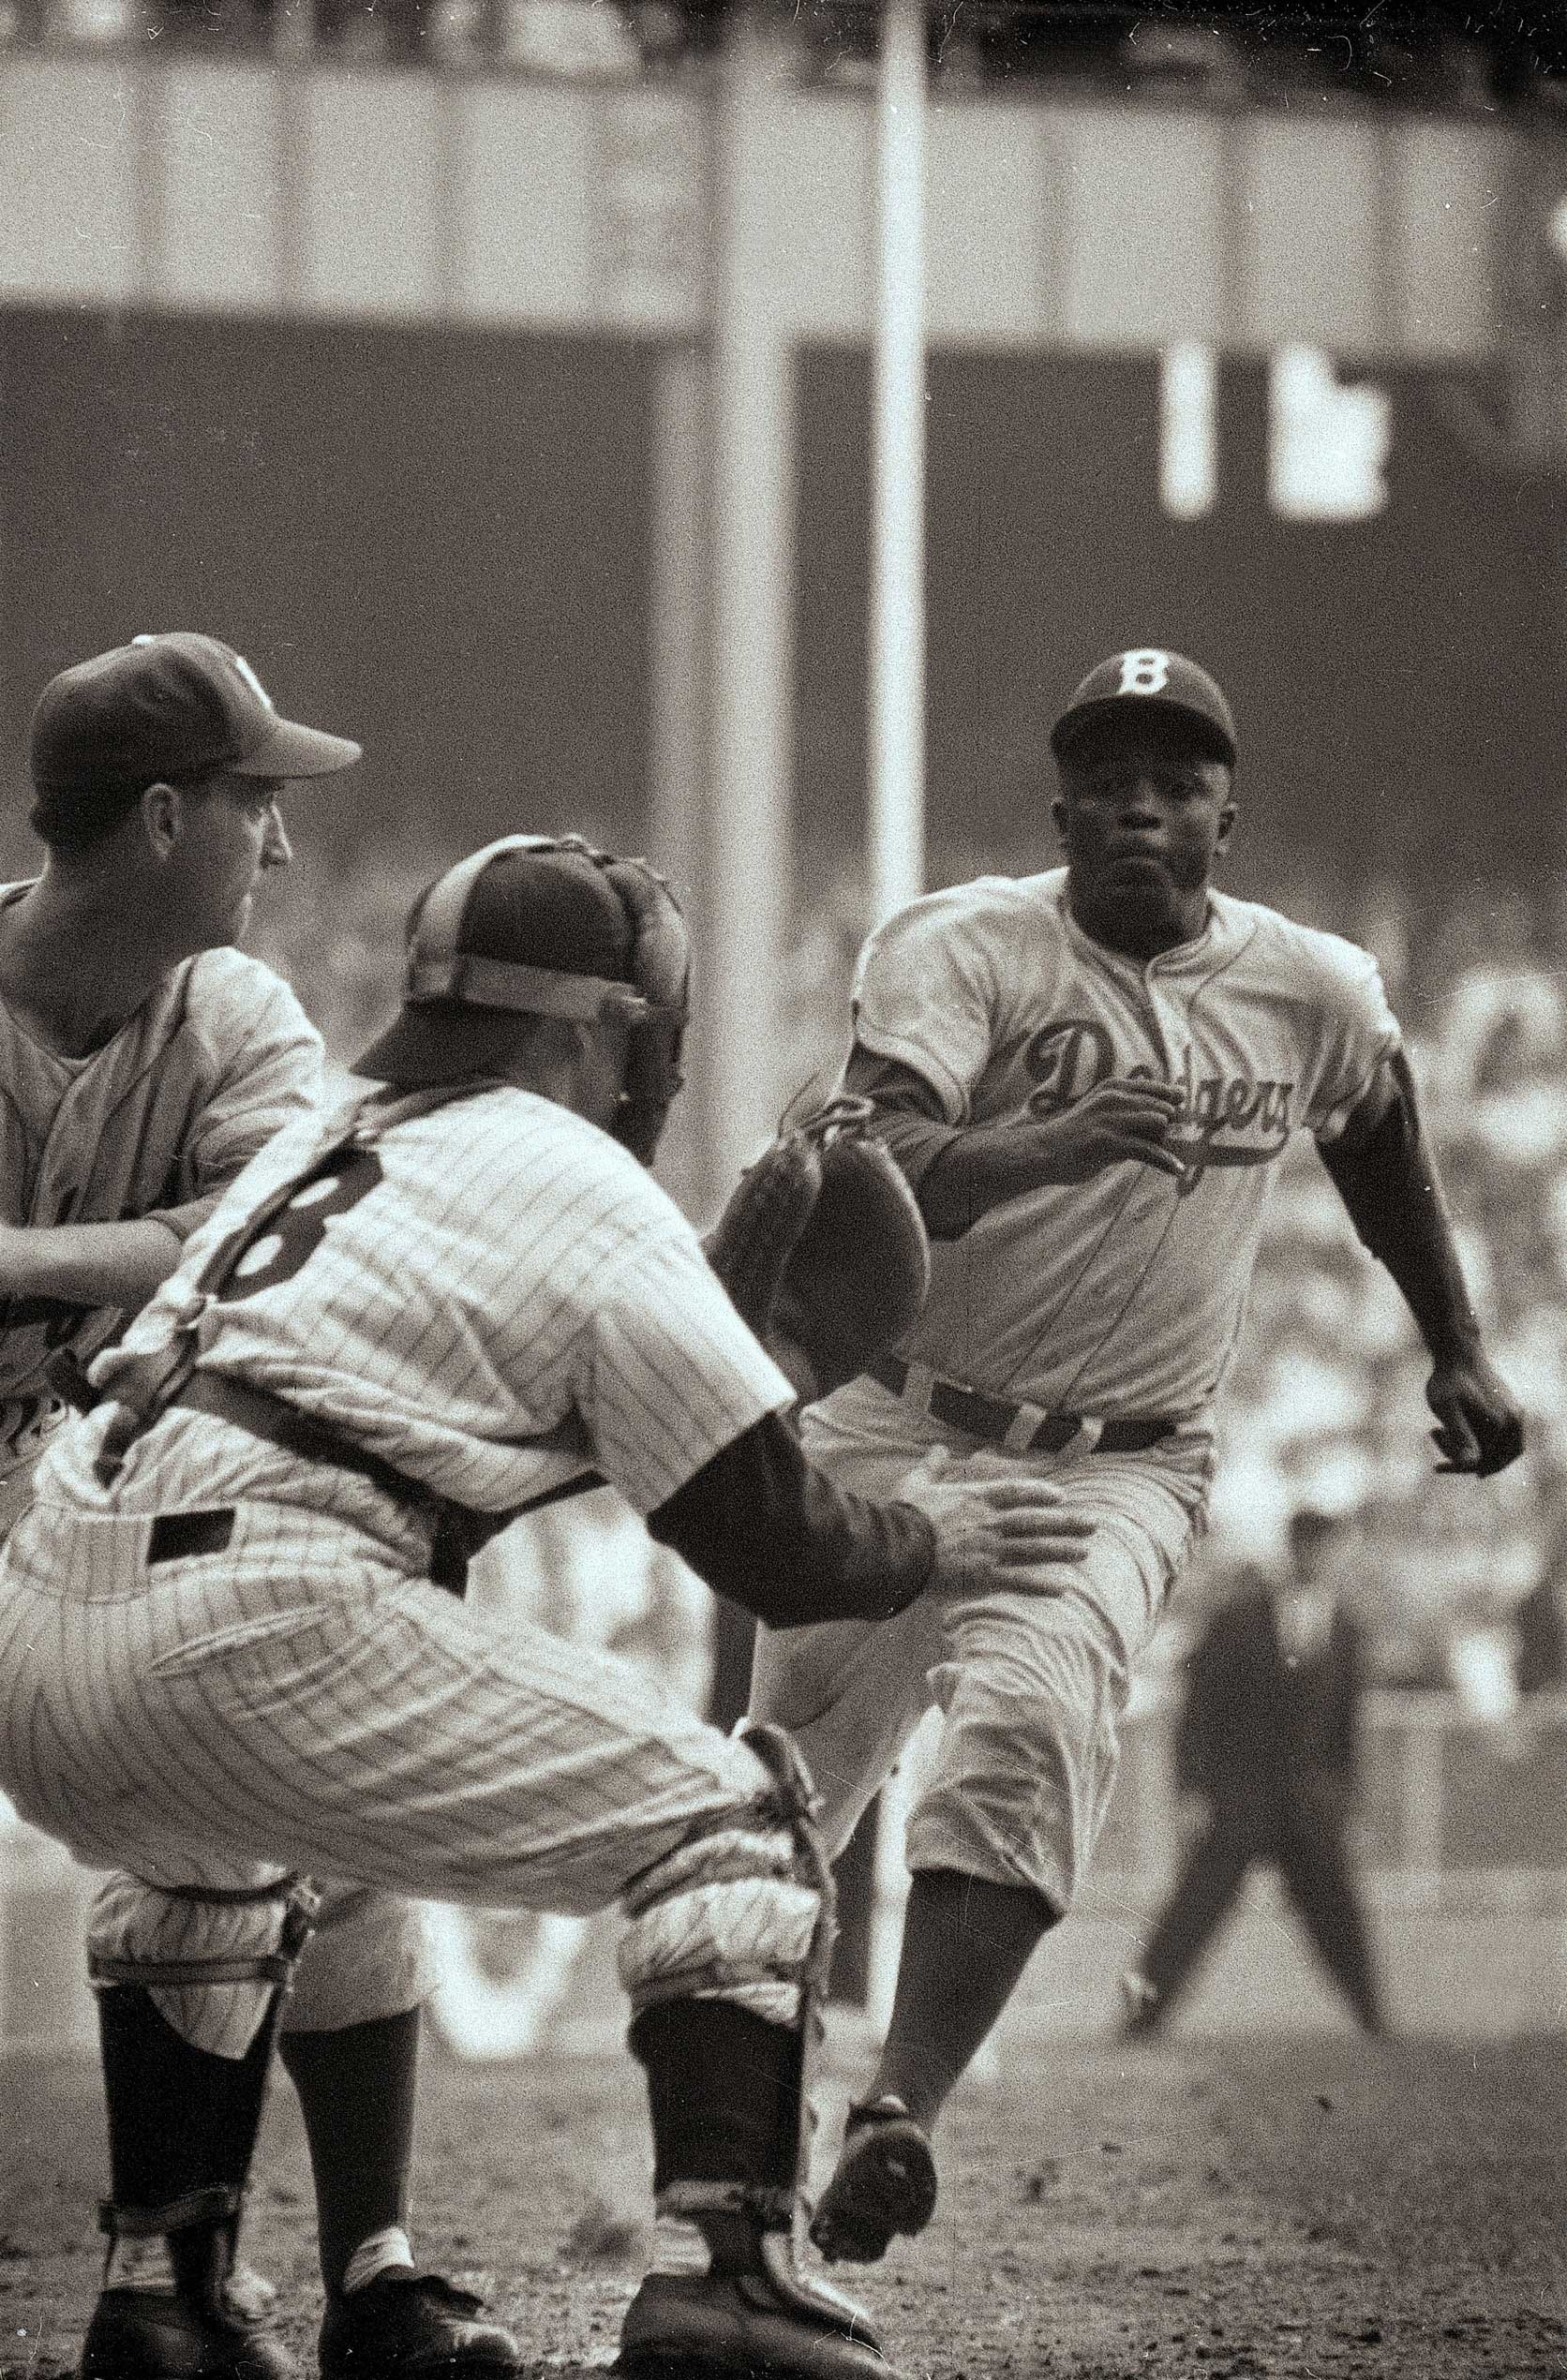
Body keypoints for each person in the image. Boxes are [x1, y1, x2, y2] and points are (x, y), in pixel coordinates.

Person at [0, 830, 1095, 2380]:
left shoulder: (316, 1142)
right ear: (588, 1028)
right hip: (252, 1609)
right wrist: (932, 1548)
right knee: (739, 1824)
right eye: (640, 1025)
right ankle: (717, 2274)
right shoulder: (570, 1170)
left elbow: (425, 1428)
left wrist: (700, 1345)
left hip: (43, 1626)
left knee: (219, 1861)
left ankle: (162, 2296)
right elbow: (765, 1542)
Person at [748, 646, 1524, 2266]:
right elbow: (866, 1165)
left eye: (1175, 784)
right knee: (774, 1800)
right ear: (1062, 809)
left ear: (1224, 817)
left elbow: (1375, 1126)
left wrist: (1451, 1340)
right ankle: (727, 2179)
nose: (1141, 811)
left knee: (1028, 1723)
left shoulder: (1306, 985)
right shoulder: (962, 943)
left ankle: (897, 2110)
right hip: (892, 1415)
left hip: (1112, 1462)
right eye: (1110, 783)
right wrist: (1051, 1142)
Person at [0, 630, 389, 2370]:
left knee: (328, 1764)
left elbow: (237, 1250)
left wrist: (18, 1260)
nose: (284, 843)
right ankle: (170, 2292)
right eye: (256, 803)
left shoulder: (238, 1013)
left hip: (77, 1509)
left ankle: (323, 2274)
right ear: (164, 819)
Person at [1121, 1510, 1388, 2041]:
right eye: (1309, 1546)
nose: (1319, 1558)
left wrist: (1349, 1802)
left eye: (1328, 1548)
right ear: (1293, 1550)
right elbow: (1198, 1713)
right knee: (1190, 1916)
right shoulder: (1237, 1619)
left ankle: (1374, 2023)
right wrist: (1190, 1791)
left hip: (1308, 1806)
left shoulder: (1348, 1630)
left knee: (1338, 1916)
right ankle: (1137, 2022)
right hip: (1238, 1801)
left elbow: (1345, 1730)